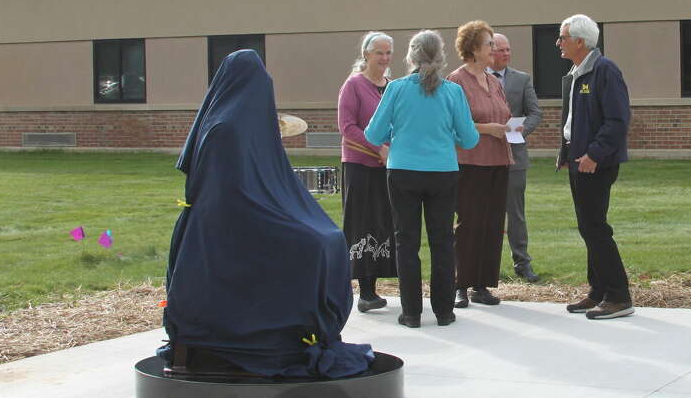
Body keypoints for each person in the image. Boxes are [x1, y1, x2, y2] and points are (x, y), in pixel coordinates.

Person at [163, 49, 373, 377]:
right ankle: (282, 334)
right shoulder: (224, 131)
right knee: (312, 245)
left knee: (328, 238)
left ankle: (308, 332)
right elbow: (230, 197)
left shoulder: (246, 127)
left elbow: (271, 181)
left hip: (246, 217)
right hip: (229, 227)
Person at [364, 31, 479, 328]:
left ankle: (412, 313)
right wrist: (447, 135)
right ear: (441, 57)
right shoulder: (453, 92)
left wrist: (397, 134)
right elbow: (469, 139)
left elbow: (373, 134)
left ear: (411, 56)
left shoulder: (397, 89)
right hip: (443, 172)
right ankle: (444, 312)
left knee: (406, 242)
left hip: (403, 171)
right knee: (442, 241)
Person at [554, 14, 634, 320]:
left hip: (595, 163)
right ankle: (597, 291)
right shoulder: (578, 71)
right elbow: (575, 120)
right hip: (579, 160)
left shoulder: (604, 70)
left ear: (579, 41)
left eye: (562, 37)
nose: (558, 43)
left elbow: (617, 120)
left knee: (595, 228)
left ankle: (619, 296)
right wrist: (567, 153)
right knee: (588, 228)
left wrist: (594, 154)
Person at [447, 21, 513, 308]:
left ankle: (482, 285)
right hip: (470, 161)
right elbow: (451, 125)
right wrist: (487, 129)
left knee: (493, 223)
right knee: (469, 223)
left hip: (499, 159)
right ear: (473, 49)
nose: (494, 49)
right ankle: (460, 284)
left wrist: (508, 128)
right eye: (489, 44)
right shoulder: (456, 80)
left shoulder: (495, 81)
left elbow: (503, 114)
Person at [337, 31, 397, 312]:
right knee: (362, 224)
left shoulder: (392, 86)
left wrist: (393, 149)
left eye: (388, 53)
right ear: (366, 54)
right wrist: (378, 149)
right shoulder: (353, 85)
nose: (384, 58)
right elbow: (347, 128)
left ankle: (378, 286)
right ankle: (365, 292)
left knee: (383, 223)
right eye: (379, 53)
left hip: (387, 165)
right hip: (359, 166)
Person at [488, 32, 542, 282]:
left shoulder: (522, 80)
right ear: (489, 52)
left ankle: (522, 263)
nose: (506, 54)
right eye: (501, 50)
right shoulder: (475, 80)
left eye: (508, 49)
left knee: (516, 213)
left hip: (515, 156)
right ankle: (487, 265)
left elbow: (534, 113)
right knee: (486, 213)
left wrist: (524, 128)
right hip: (484, 156)